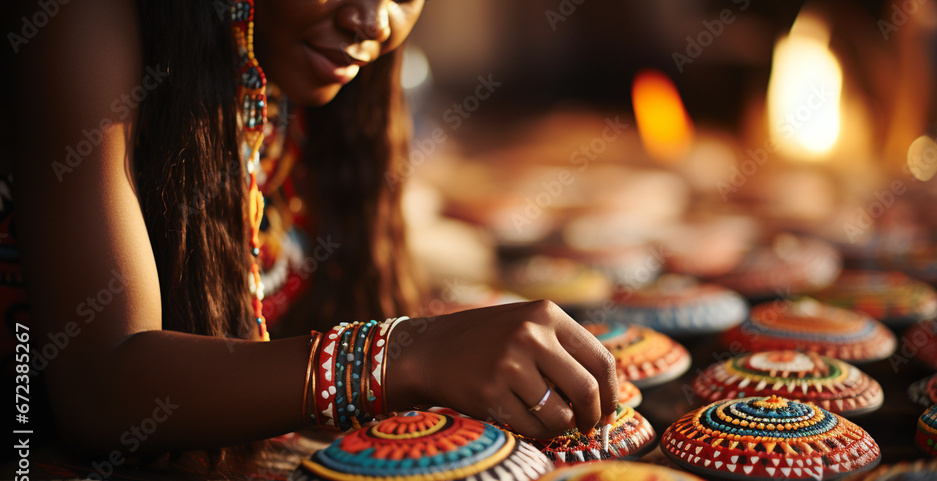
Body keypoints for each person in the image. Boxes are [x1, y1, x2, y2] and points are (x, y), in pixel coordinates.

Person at [4, 0, 617, 456]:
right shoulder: (80, 20)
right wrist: (408, 354)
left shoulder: (308, 73)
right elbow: (99, 385)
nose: (374, 20)